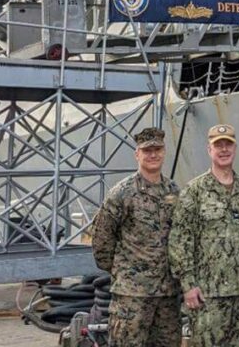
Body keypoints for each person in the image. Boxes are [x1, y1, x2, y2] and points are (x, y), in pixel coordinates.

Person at [168, 123, 239, 347]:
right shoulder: (194, 191)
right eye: (218, 145)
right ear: (209, 150)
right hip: (207, 294)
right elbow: (180, 241)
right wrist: (188, 284)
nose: (224, 150)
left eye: (228, 145)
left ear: (235, 148)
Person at [90, 127, 181, 347]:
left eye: (157, 149)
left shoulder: (174, 191)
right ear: (137, 154)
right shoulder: (122, 193)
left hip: (167, 293)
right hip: (133, 295)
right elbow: (101, 238)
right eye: (147, 150)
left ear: (164, 152)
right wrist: (124, 272)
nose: (153, 155)